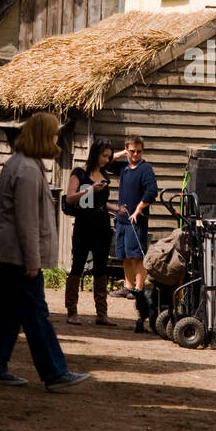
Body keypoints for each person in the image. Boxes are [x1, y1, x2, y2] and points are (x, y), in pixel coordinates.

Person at [0, 113, 90, 391]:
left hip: (5, 255)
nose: (57, 140)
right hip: (18, 258)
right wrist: (33, 261)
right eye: (54, 134)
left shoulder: (18, 163)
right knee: (36, 316)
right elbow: (27, 221)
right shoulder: (28, 170)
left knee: (7, 316)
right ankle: (55, 372)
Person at [64, 139, 116, 326]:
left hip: (102, 224)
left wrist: (117, 209)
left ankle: (101, 313)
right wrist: (90, 189)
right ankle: (72, 311)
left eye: (109, 157)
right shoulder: (80, 173)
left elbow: (101, 203)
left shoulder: (104, 175)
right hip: (84, 224)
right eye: (104, 156)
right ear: (95, 154)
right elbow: (70, 198)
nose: (107, 160)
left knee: (101, 267)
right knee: (78, 265)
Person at [106, 134, 157, 296]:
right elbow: (106, 162)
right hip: (122, 219)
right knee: (125, 255)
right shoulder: (124, 167)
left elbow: (152, 192)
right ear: (127, 150)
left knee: (136, 255)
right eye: (133, 151)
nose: (136, 155)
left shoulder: (145, 169)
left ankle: (139, 288)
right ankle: (128, 287)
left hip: (136, 220)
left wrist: (139, 209)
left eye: (139, 152)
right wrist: (121, 153)